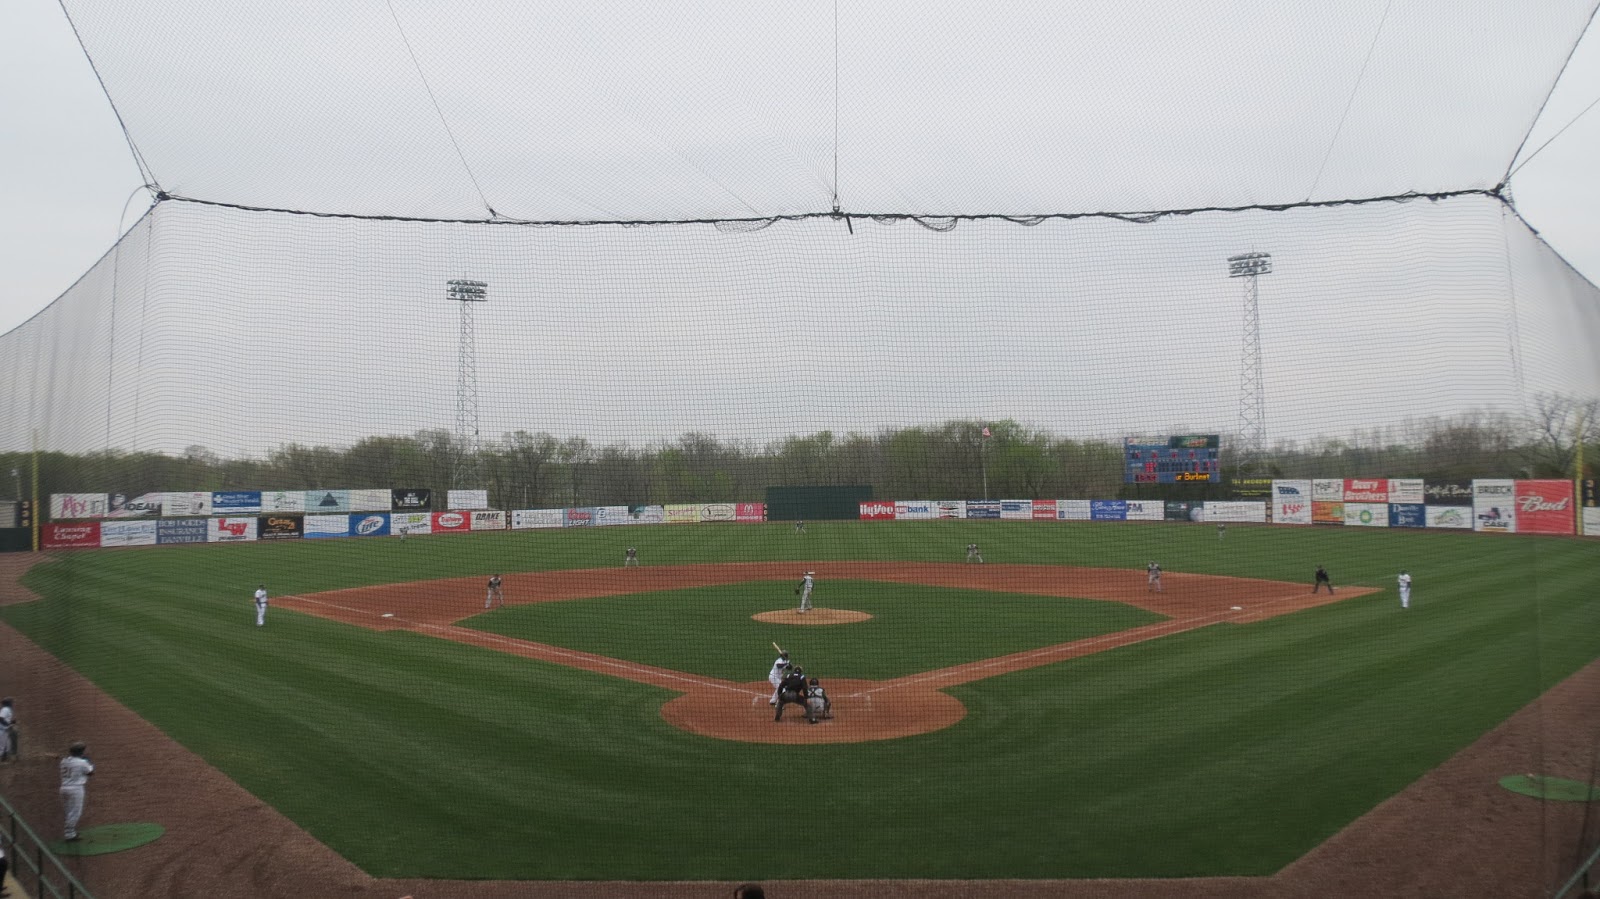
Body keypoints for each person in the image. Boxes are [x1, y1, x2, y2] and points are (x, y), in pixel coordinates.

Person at [59, 742, 94, 841]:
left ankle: (71, 832)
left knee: (69, 812)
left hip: (63, 788)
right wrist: (88, 761)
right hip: (76, 789)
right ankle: (69, 834)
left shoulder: (64, 761)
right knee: (75, 812)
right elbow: (90, 772)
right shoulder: (82, 762)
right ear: (81, 752)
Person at [0, 698, 16, 762]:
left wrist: (12, 722)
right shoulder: (5, 709)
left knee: (7, 746)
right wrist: (8, 725)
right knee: (2, 747)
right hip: (1, 731)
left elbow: (5, 719)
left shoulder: (7, 709)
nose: (12, 704)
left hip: (4, 731)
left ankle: (4, 760)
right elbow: (1, 719)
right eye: (11, 703)